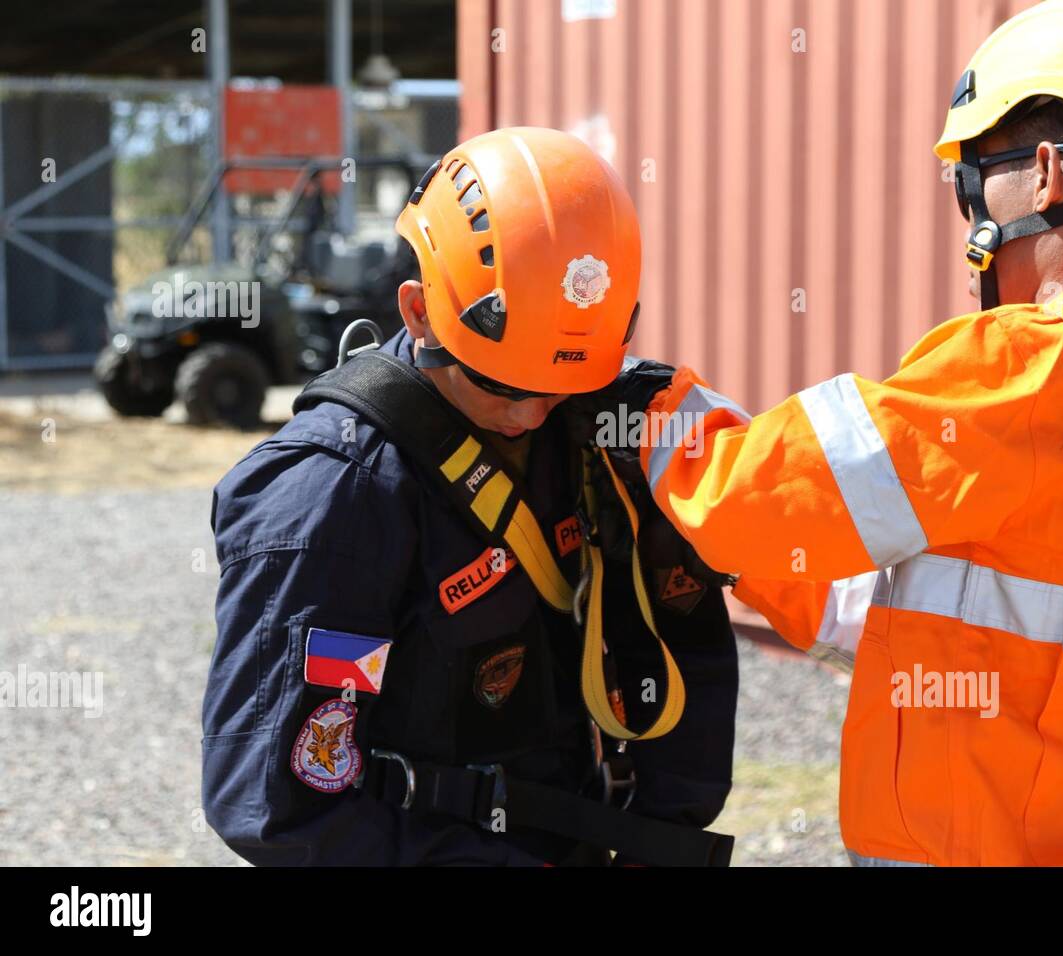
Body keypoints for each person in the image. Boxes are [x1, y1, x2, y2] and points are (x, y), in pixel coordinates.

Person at [600, 0, 1063, 866]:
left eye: (975, 173)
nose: (972, 209)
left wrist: (642, 407)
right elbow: (932, 603)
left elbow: (750, 497)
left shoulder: (1035, 361)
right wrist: (770, 574)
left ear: (1048, 173)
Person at [201, 127, 738, 866]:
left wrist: (664, 832)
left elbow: (686, 641)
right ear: (419, 312)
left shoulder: (604, 431)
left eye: (557, 388)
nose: (528, 415)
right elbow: (282, 811)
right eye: (500, 383)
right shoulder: (335, 501)